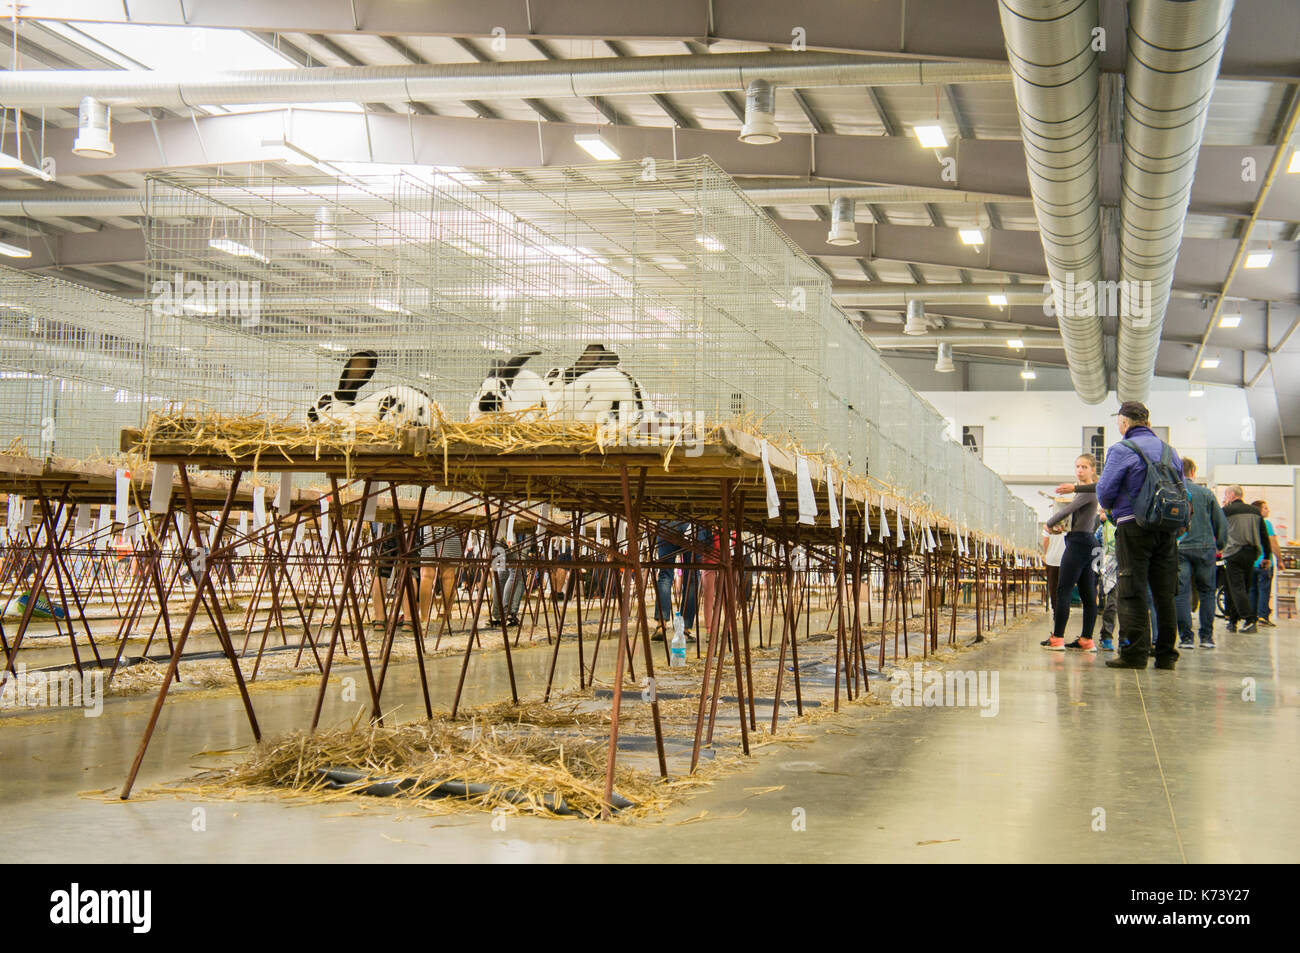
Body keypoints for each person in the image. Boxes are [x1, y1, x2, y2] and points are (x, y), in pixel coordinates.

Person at [1096, 401, 1185, 670]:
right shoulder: (1170, 451)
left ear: (1124, 423)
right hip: (1167, 528)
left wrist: (1110, 508)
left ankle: (1134, 654)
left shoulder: (1122, 449)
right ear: (1147, 421)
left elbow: (1104, 491)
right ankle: (1167, 655)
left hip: (1133, 526)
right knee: (1164, 592)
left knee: (1132, 589)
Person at [1041, 454, 1101, 651]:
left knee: (1063, 590)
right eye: (1077, 466)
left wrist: (1049, 524)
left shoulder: (1086, 492)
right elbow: (1074, 516)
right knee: (1087, 593)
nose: (1080, 470)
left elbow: (1067, 510)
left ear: (1093, 469)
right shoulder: (1087, 492)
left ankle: (1057, 638)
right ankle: (1086, 639)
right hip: (1087, 542)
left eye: (1084, 467)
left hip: (1078, 543)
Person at [1174, 459, 1227, 650]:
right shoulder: (1206, 493)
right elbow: (1220, 522)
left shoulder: (1174, 493)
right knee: (1206, 593)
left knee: (1181, 594)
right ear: (1193, 472)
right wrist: (1220, 544)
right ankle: (1206, 637)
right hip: (1205, 548)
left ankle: (1186, 639)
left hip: (1179, 548)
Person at [1221, 486, 1268, 634]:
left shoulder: (1225, 511)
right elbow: (1263, 534)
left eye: (1226, 495)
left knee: (1236, 588)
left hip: (1233, 553)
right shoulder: (1255, 511)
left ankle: (1249, 619)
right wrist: (1266, 556)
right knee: (1244, 588)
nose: (1226, 498)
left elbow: (1219, 531)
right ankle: (1233, 621)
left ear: (1232, 494)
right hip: (1251, 553)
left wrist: (1218, 547)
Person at [653, 520, 699, 641]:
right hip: (692, 523)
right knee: (692, 577)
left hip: (666, 521)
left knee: (665, 575)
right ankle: (684, 629)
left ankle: (661, 625)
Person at [418, 525, 462, 635]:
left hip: (430, 533)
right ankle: (446, 615)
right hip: (451, 531)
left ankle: (424, 617)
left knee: (426, 575)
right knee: (449, 576)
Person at [1251, 500, 1281, 628]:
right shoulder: (1266, 523)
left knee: (1252, 590)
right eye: (1265, 508)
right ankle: (1262, 616)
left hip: (1252, 562)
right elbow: (1273, 543)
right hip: (1265, 562)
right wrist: (1280, 560)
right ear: (1259, 510)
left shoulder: (1250, 523)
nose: (1268, 510)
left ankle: (1252, 617)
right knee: (1264, 590)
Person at [1042, 514, 1067, 614]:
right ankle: (1063, 610)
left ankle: (1055, 611)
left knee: (1053, 588)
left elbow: (1045, 542)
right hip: (1064, 560)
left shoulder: (1048, 529)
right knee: (1063, 587)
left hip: (1051, 560)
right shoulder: (1066, 530)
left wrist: (1045, 554)